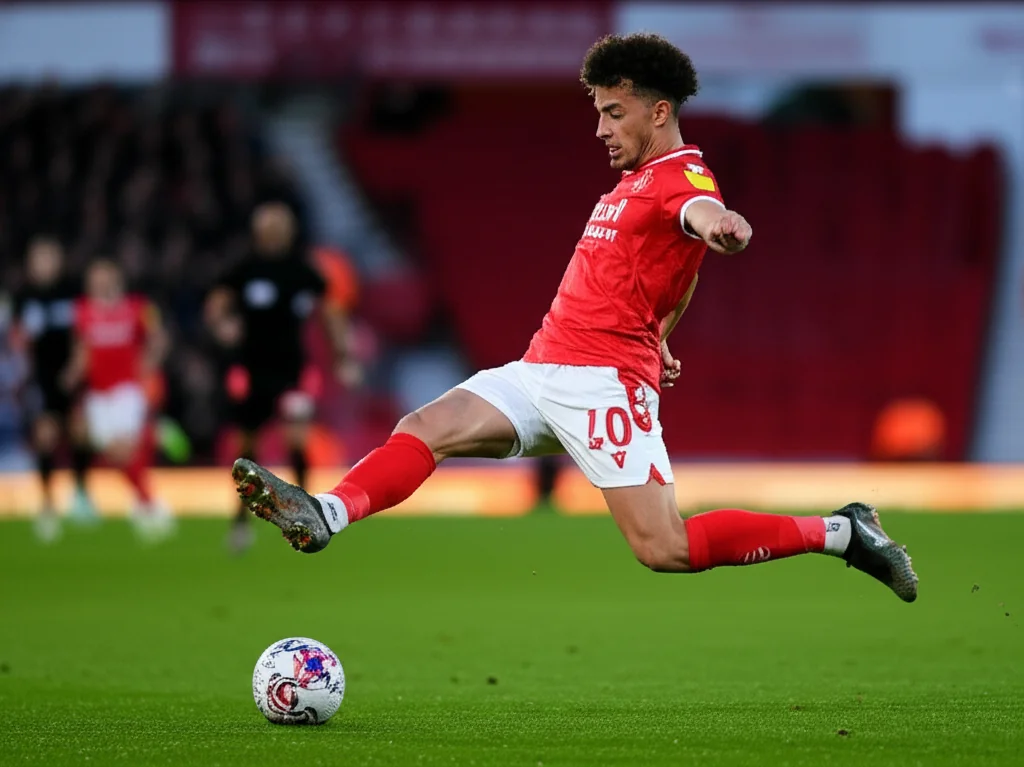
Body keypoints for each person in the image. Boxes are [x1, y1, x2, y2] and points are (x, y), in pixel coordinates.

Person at [232, 34, 918, 603]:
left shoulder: (682, 176)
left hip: (602, 385)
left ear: (658, 111)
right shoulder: (633, 183)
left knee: (665, 547)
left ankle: (842, 532)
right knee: (425, 427)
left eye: (614, 113)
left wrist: (723, 225)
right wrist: (662, 331)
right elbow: (675, 271)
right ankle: (326, 514)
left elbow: (702, 215)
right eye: (598, 112)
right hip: (542, 369)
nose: (600, 128)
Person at [205, 202, 358, 553]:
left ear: (289, 232)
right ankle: (240, 522)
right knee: (247, 449)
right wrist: (223, 326)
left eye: (279, 227)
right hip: (252, 370)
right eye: (268, 228)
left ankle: (304, 516)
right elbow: (216, 304)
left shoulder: (303, 272)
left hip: (293, 371)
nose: (274, 234)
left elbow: (331, 313)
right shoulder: (245, 269)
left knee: (297, 441)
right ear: (259, 232)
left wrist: (343, 357)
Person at [64, 259, 172, 541]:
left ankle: (149, 505)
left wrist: (148, 365)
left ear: (115, 279)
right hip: (97, 393)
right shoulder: (82, 311)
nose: (98, 284)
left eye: (103, 278)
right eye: (94, 279)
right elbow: (82, 349)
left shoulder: (138, 307)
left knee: (123, 449)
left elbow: (159, 337)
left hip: (127, 390)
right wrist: (73, 374)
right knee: (112, 452)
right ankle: (145, 500)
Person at [9, 237, 95, 541]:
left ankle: (81, 496)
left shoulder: (71, 292)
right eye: (39, 258)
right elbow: (18, 340)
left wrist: (76, 367)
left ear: (59, 261)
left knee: (79, 432)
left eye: (49, 258)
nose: (44, 264)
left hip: (72, 373)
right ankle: (47, 503)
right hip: (41, 378)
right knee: (45, 436)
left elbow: (84, 333)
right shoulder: (24, 297)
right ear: (30, 263)